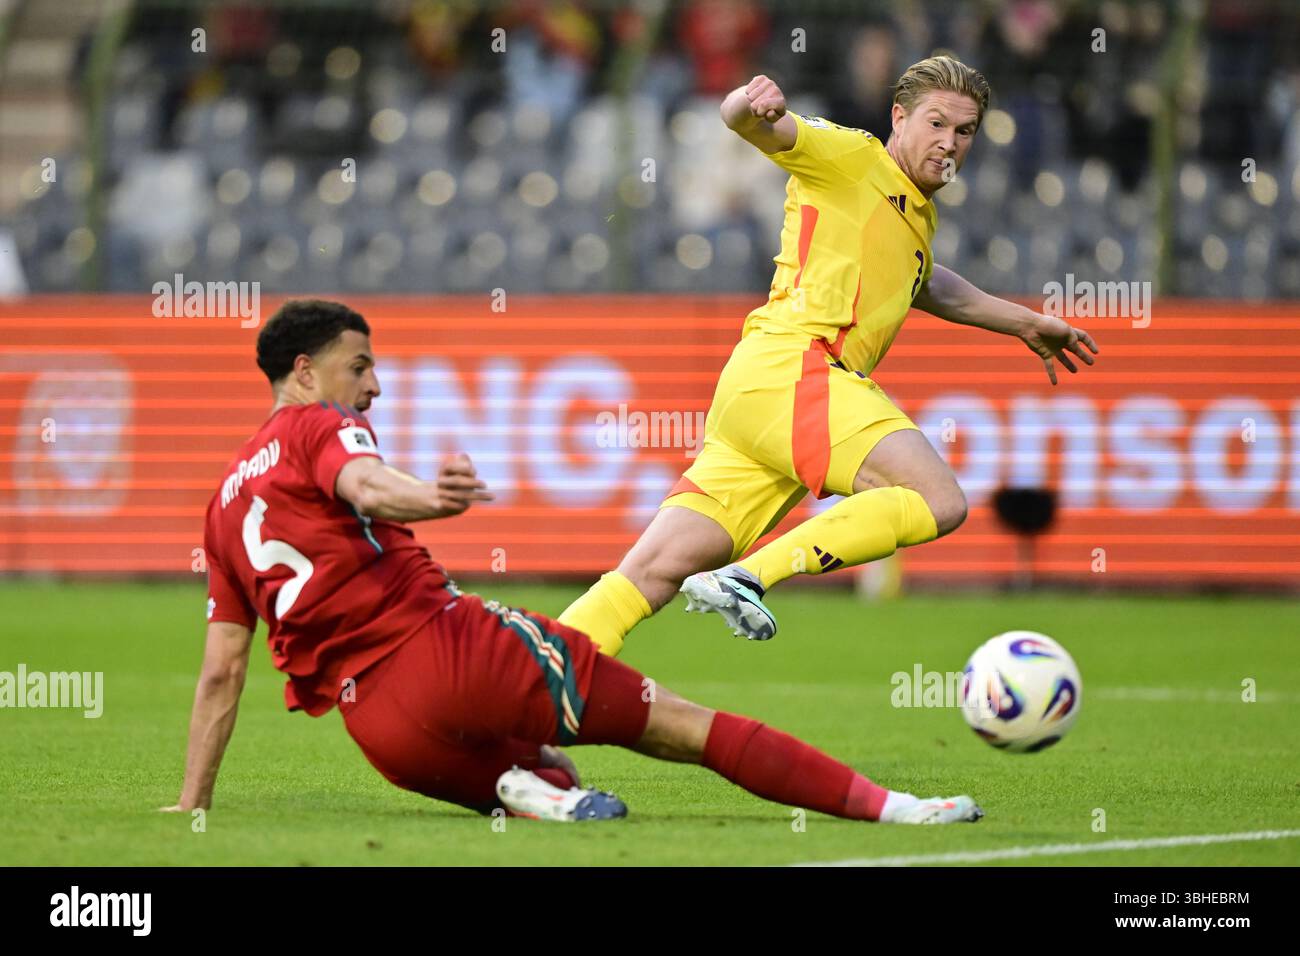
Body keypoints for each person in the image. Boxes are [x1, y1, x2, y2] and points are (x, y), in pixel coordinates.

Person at [161, 299, 982, 824]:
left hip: (379, 734)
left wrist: (194, 803)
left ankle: (525, 794)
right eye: (359, 365)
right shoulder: (318, 427)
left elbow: (221, 673)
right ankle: (894, 808)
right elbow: (367, 483)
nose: (373, 385)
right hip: (450, 652)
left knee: (546, 763)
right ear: (304, 372)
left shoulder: (221, 506)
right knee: (684, 729)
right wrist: (433, 500)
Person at [558, 56, 1098, 652]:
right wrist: (747, 102)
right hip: (797, 366)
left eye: (964, 132)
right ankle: (748, 578)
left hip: (757, 397)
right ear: (899, 116)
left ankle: (533, 675)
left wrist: (1024, 322)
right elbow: (749, 125)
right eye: (936, 123)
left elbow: (929, 284)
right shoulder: (853, 156)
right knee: (936, 501)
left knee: (653, 572)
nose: (949, 143)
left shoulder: (914, 211)